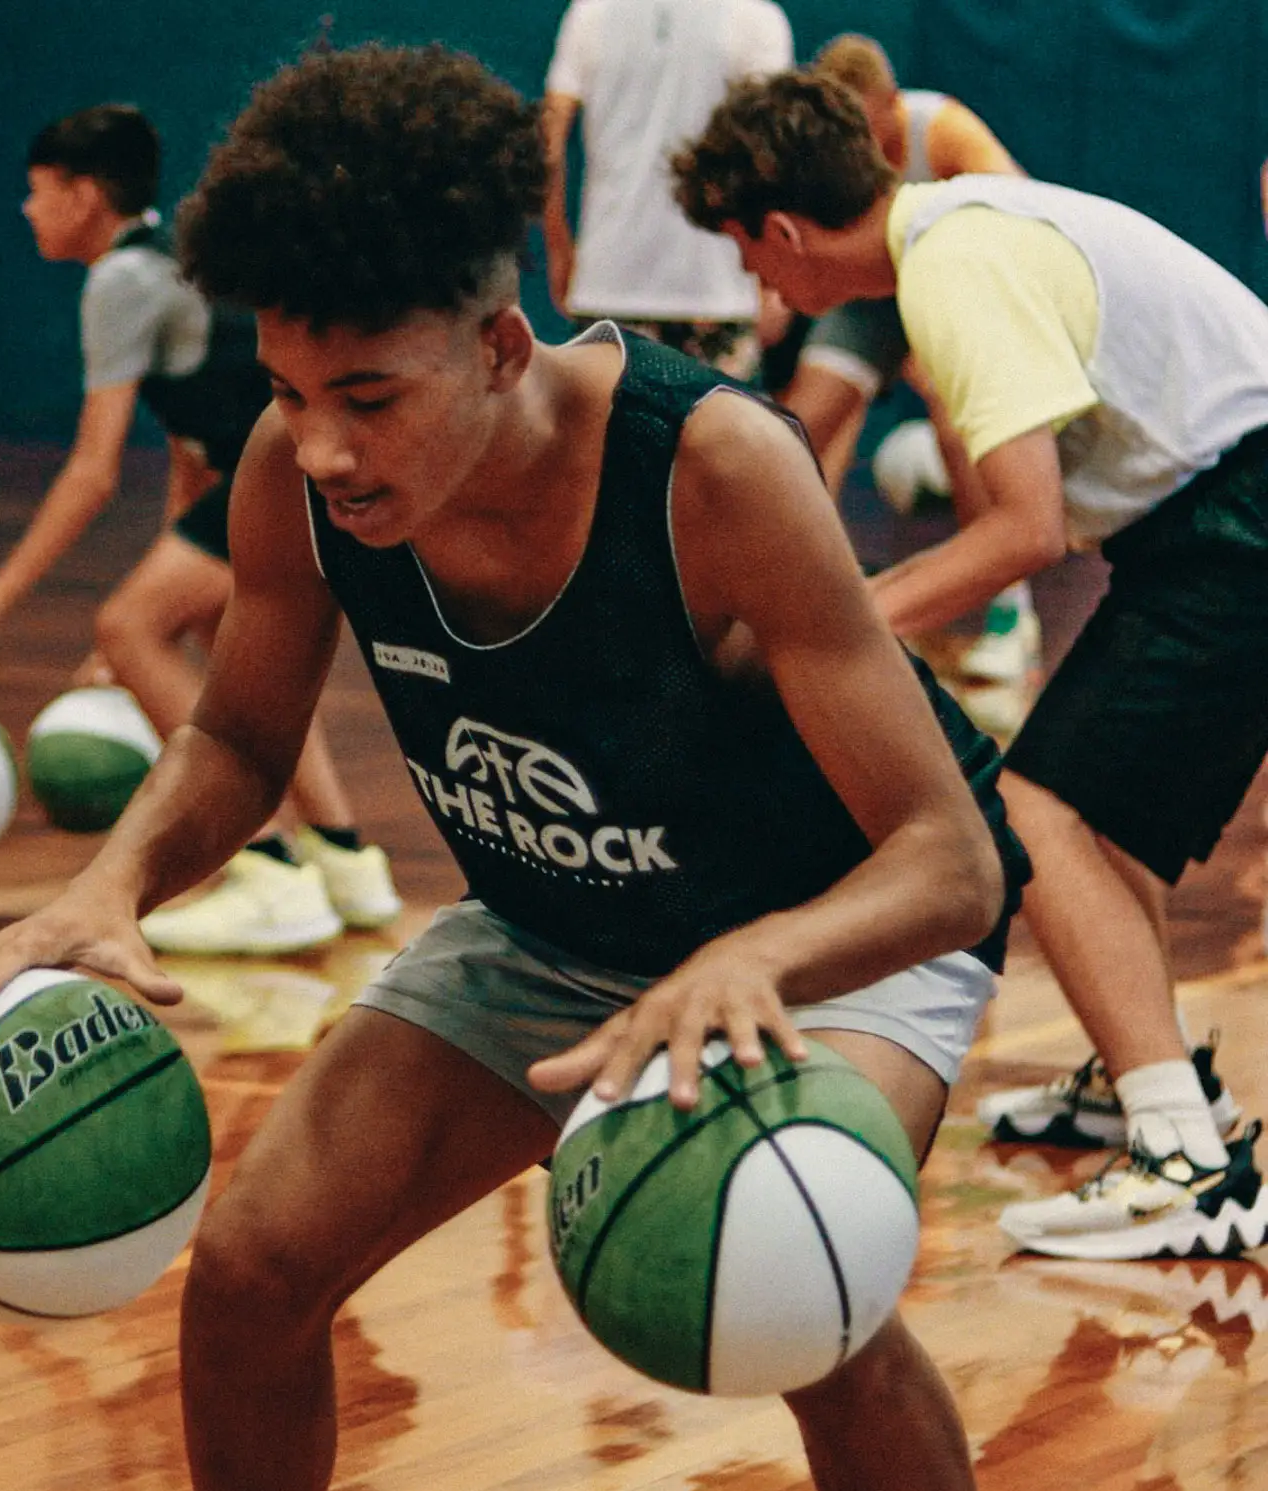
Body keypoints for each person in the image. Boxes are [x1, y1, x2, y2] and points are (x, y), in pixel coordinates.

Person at [0, 47, 1024, 1491]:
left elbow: (951, 861)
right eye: (292, 395)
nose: (327, 445)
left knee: (791, 1284)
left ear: (501, 343)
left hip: (833, 930)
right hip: (558, 927)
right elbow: (234, 734)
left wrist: (753, 957)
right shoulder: (296, 484)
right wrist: (114, 884)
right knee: (252, 1268)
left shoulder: (715, 470)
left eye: (370, 395)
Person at [676, 72, 1268, 1261]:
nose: (759, 287)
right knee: (1091, 824)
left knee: (1031, 812)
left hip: (1238, 521)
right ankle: (1140, 1078)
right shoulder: (956, 234)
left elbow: (1024, 532)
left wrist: (836, 625)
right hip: (1206, 525)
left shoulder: (955, 267)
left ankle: (1186, 1165)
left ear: (785, 233)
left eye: (749, 258)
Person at [0, 106, 401, 955]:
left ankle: (270, 871)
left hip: (298, 473)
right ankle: (347, 863)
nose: (26, 210)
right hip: (297, 471)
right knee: (205, 635)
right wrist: (167, 600)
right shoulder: (171, 262)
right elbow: (192, 449)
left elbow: (92, 472)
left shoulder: (120, 284)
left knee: (124, 624)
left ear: (84, 196)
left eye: (37, 192)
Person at [792, 34, 1036, 742]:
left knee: (959, 426)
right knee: (796, 427)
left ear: (894, 106)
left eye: (869, 129)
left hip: (958, 284)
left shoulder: (945, 128)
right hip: (873, 289)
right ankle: (799, 596)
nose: (860, 148)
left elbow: (1019, 220)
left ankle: (1007, 616)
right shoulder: (828, 152)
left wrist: (946, 327)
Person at [541, 0, 792, 376]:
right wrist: (775, 275)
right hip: (717, 293)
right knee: (723, 435)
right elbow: (773, 149)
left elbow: (550, 139)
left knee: (608, 436)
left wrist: (558, 247)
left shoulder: (590, 13)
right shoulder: (755, 17)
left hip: (609, 286)